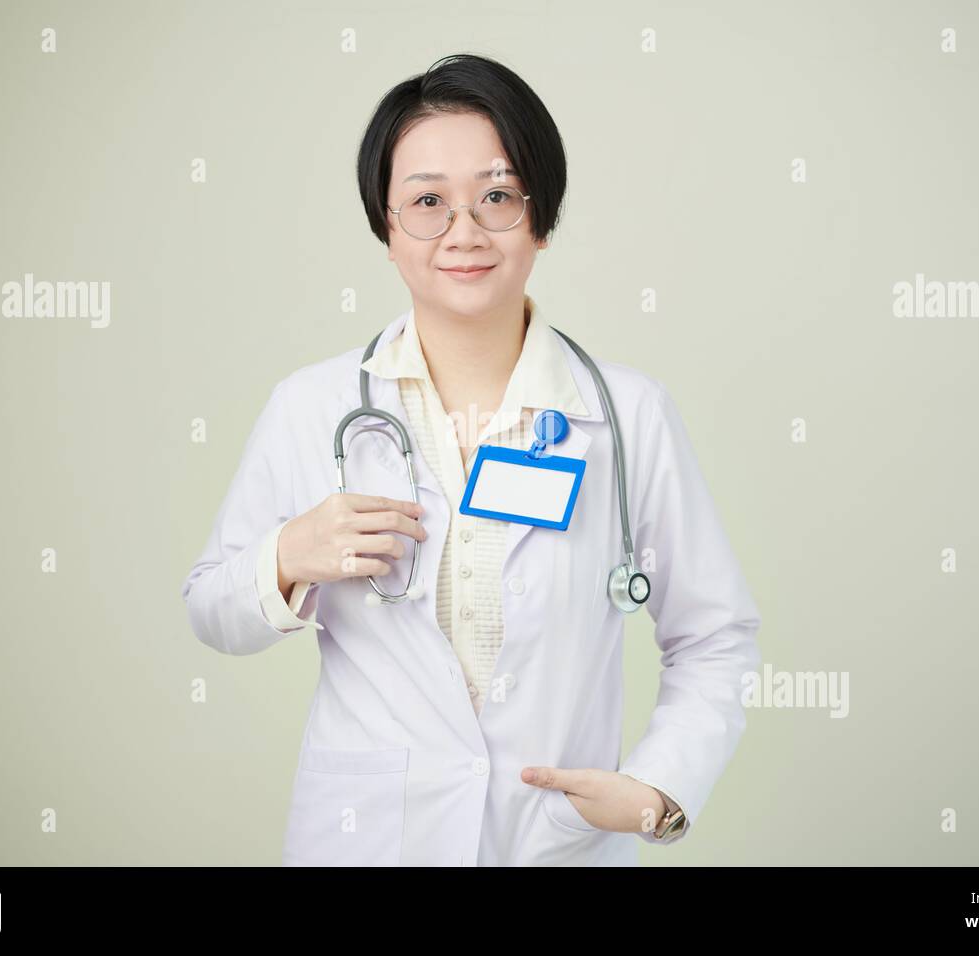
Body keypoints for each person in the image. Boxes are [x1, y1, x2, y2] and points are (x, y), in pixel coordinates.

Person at [181, 53, 762, 866]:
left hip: (554, 841)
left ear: (541, 218)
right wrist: (287, 557)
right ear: (387, 228)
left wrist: (660, 789)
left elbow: (717, 637)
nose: (463, 232)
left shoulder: (627, 416)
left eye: (497, 196)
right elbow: (212, 609)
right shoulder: (311, 408)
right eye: (426, 201)